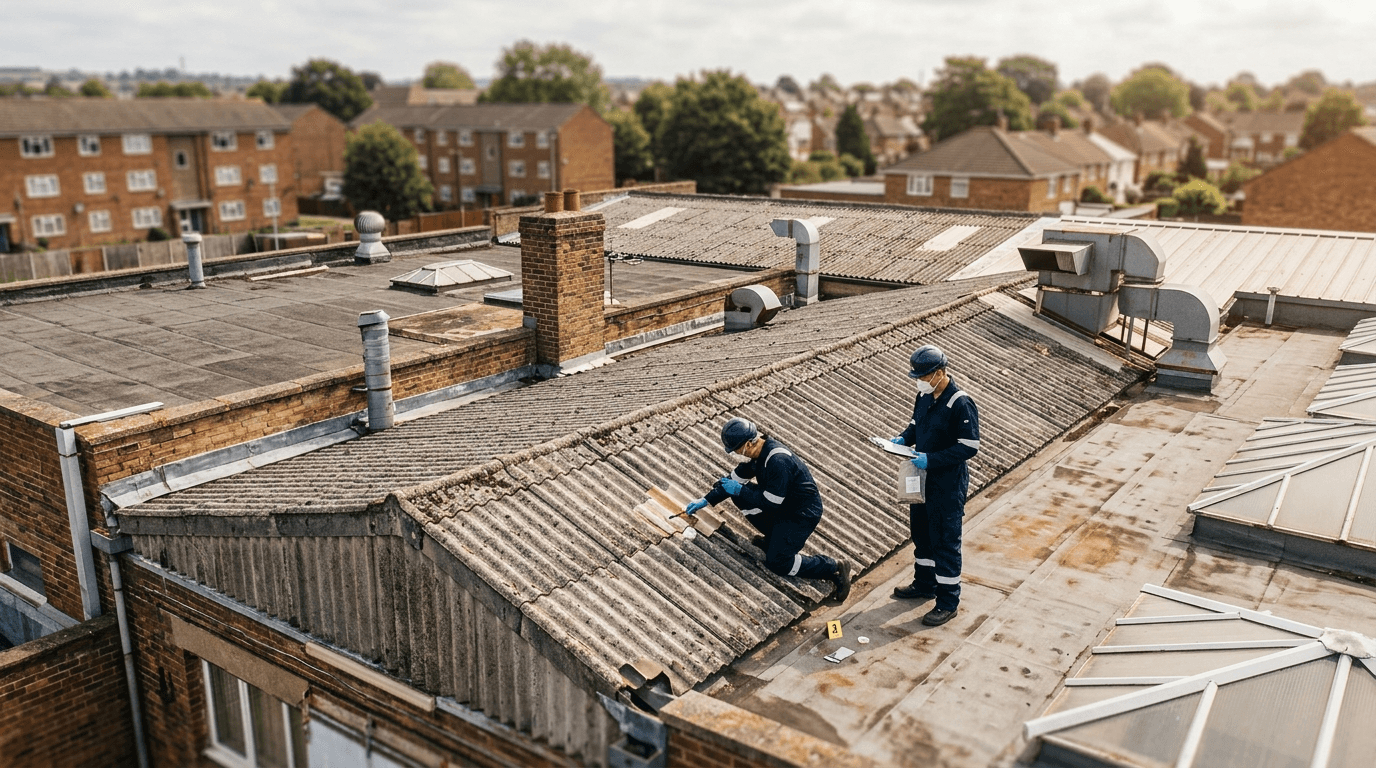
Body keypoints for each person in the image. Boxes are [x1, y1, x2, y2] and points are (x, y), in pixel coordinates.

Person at [685, 418, 852, 603]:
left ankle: (833, 567)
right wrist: (706, 499)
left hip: (800, 515)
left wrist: (740, 489)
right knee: (738, 493)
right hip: (784, 507)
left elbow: (770, 503)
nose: (737, 454)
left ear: (748, 444)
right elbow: (732, 480)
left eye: (737, 450)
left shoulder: (777, 461)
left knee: (778, 563)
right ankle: (774, 538)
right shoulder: (758, 454)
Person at [890, 344, 980, 627]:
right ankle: (925, 583)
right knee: (922, 533)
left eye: (924, 376)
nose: (920, 382)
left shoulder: (960, 403)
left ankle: (947, 601)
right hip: (922, 480)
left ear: (940, 373)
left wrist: (933, 459)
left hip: (946, 484)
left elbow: (969, 446)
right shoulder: (923, 396)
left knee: (945, 541)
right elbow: (916, 425)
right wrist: (903, 439)